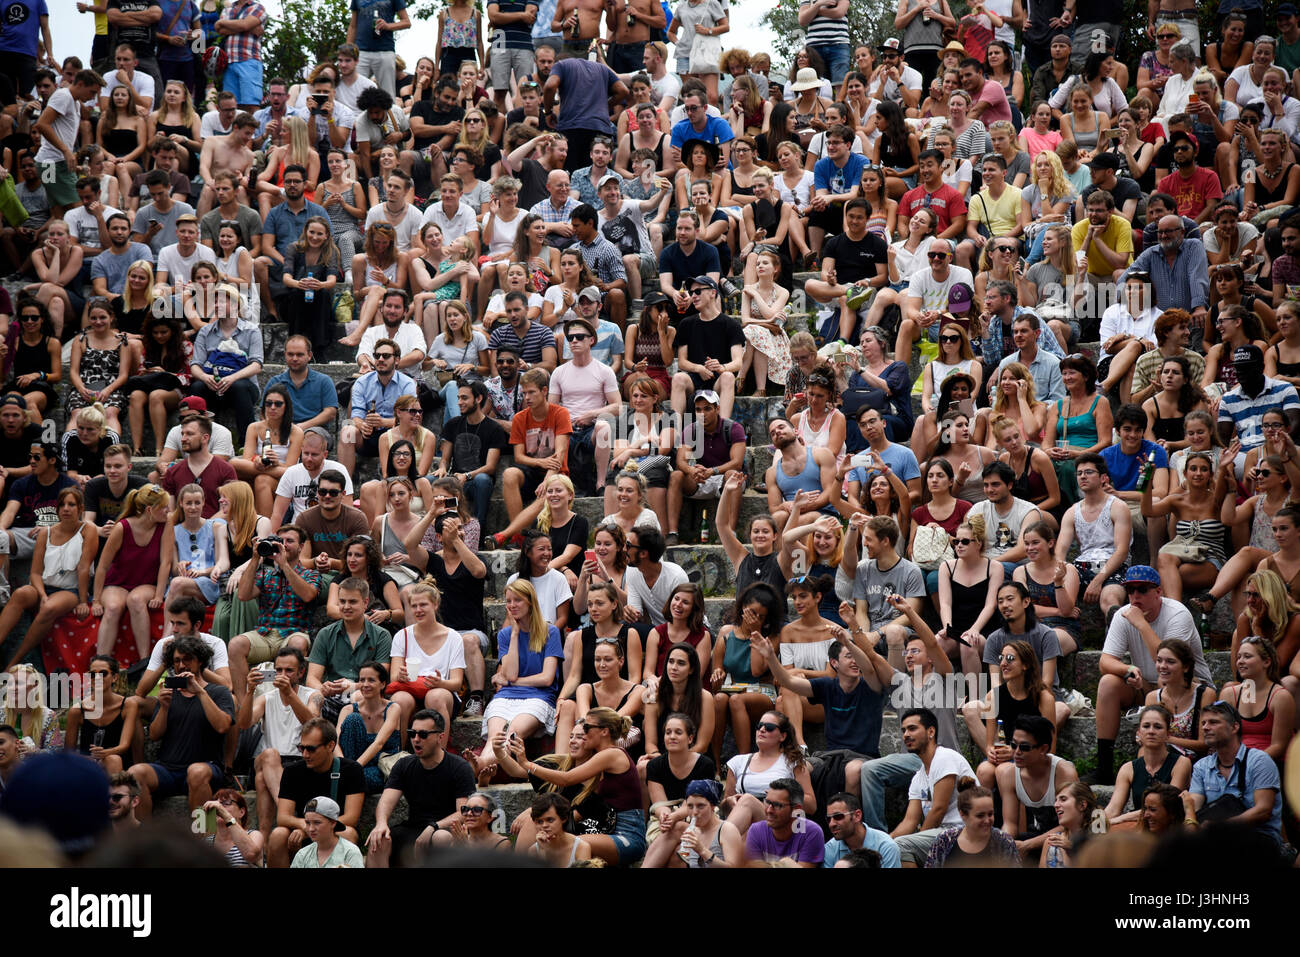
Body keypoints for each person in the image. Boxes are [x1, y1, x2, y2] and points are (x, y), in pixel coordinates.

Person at [1092, 564, 1213, 784]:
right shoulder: (1123, 614)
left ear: (1158, 592)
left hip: (1187, 686)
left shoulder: (1177, 614)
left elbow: (1169, 662)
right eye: (1130, 590)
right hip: (1149, 688)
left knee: (1164, 676)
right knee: (1108, 682)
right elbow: (1105, 661)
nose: (1135, 595)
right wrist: (1128, 669)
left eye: (1142, 589)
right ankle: (1104, 765)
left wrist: (1141, 624)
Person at [124, 635, 235, 819]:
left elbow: (223, 726)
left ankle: (206, 837)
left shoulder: (218, 692)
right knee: (135, 773)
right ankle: (144, 839)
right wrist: (164, 708)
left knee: (196, 772)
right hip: (168, 769)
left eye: (187, 659)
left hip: (206, 767)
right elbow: (154, 735)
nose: (182, 665)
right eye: (177, 661)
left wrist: (199, 691)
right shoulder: (169, 693)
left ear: (200, 661)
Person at [228, 525, 320, 706]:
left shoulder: (311, 574)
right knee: (236, 644)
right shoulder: (267, 574)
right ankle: (243, 705)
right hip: (265, 634)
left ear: (301, 547)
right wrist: (255, 558)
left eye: (290, 541)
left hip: (294, 633)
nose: (284, 545)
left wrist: (284, 564)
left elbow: (308, 595)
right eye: (281, 541)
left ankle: (291, 702)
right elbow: (243, 595)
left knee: (298, 644)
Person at [235, 646, 319, 844]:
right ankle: (290, 816)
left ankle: (263, 840)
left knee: (263, 779)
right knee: (270, 754)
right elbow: (244, 723)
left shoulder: (313, 695)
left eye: (289, 671)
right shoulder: (267, 697)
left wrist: (289, 694)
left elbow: (313, 725)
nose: (283, 675)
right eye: (278, 670)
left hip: (300, 762)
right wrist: (250, 691)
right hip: (270, 758)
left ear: (301, 672)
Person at [269, 717, 365, 868]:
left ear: (330, 746)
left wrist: (311, 829)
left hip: (333, 831)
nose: (305, 754)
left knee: (348, 833)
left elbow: (351, 818)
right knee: (278, 835)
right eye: (302, 748)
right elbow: (282, 817)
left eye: (311, 749)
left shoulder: (351, 770)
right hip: (302, 830)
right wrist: (308, 826)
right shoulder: (292, 772)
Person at [1187, 701, 1284, 847]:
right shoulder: (1202, 766)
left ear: (1234, 727)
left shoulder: (1259, 760)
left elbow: (1263, 811)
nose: (1205, 728)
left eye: (1213, 722)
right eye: (1203, 723)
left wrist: (1220, 827)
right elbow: (1195, 808)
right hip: (1217, 841)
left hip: (1259, 839)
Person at [890, 708, 976, 866]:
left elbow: (938, 809)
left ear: (931, 732)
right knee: (891, 846)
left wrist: (915, 840)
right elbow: (909, 821)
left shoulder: (944, 758)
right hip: (941, 834)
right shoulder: (918, 777)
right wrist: (885, 842)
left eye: (912, 728)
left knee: (902, 846)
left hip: (964, 830)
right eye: (903, 730)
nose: (906, 735)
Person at [996, 713, 1079, 858]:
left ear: (1043, 749)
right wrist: (1005, 845)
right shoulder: (1009, 774)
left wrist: (1028, 845)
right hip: (1037, 835)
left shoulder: (1064, 773)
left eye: (1025, 747)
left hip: (1068, 837)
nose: (1016, 752)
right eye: (1014, 745)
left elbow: (1073, 823)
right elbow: (1010, 824)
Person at [160, 415, 238, 518]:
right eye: (182, 434)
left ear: (205, 438)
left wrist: (206, 528)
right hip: (182, 529)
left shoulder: (225, 470)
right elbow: (169, 511)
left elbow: (229, 508)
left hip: (216, 529)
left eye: (189, 434)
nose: (183, 439)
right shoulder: (173, 472)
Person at [739, 777, 824, 866]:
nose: (769, 810)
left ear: (796, 810)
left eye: (777, 805)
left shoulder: (811, 832)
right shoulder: (756, 830)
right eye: (767, 802)